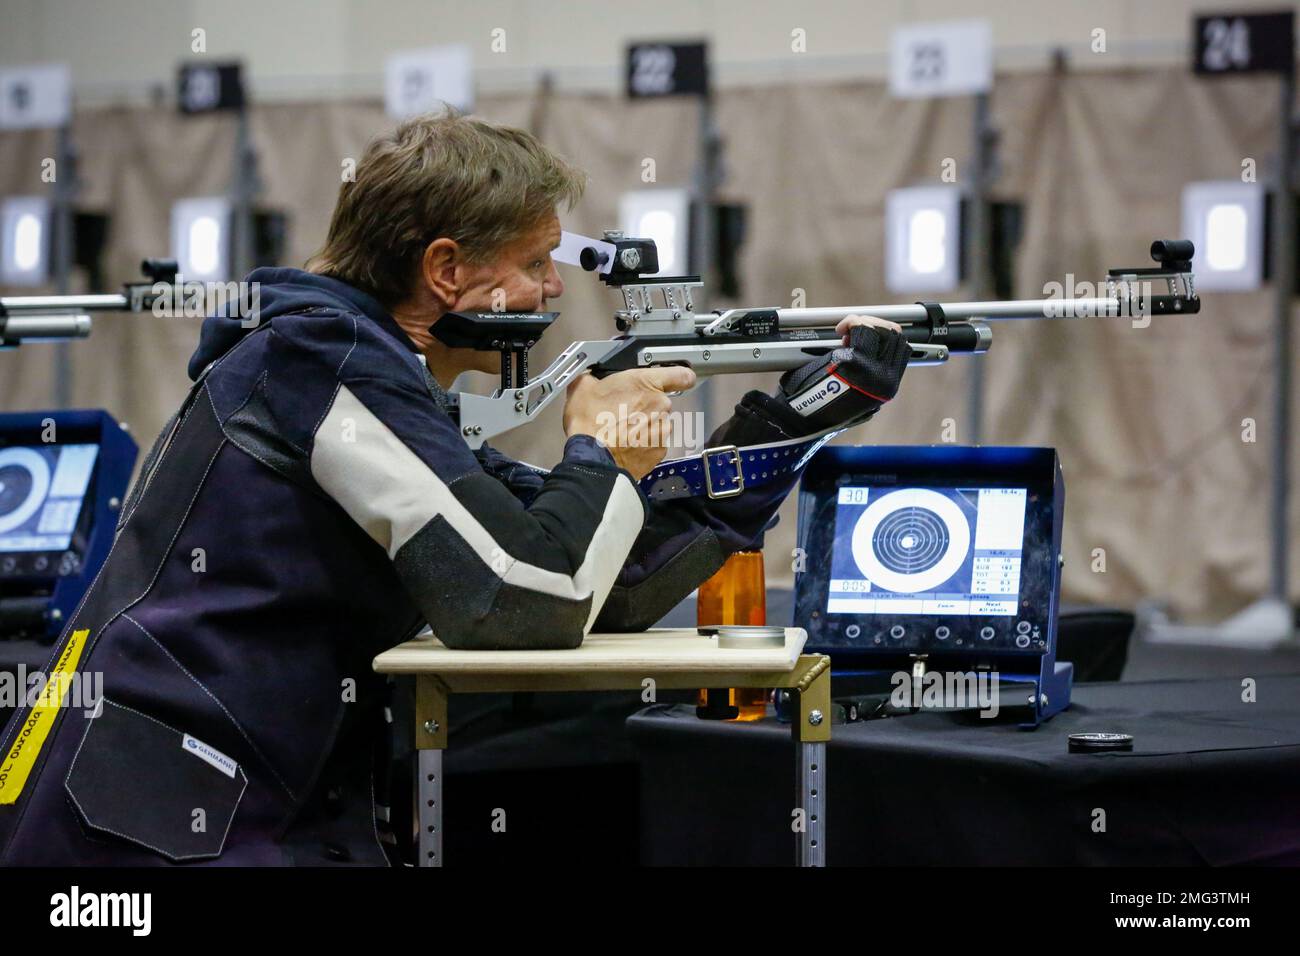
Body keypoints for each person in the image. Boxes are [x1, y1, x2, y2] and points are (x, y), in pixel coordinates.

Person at [0, 111, 908, 866]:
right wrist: (596, 448)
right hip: (148, 823)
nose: (555, 288)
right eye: (536, 264)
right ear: (445, 270)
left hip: (225, 800)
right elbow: (521, 600)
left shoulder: (366, 370)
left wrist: (791, 421)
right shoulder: (321, 359)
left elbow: (598, 579)